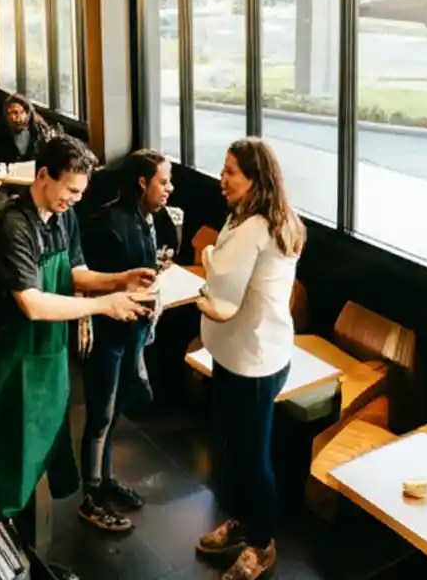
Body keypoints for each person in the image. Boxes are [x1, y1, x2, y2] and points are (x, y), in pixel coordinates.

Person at [0, 135, 155, 580]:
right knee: (13, 469)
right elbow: (33, 304)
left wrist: (120, 280)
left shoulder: (64, 216)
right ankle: (5, 564)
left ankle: (33, 560)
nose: (75, 200)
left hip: (49, 357)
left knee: (45, 454)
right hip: (12, 363)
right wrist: (103, 306)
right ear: (42, 176)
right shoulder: (12, 226)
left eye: (80, 192)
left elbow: (76, 274)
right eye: (70, 190)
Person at [193, 138, 305, 580]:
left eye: (230, 173)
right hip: (267, 353)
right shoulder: (277, 220)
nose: (222, 180)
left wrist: (204, 277)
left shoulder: (254, 229)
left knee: (252, 456)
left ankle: (261, 543)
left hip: (248, 362)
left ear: (256, 179)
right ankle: (244, 521)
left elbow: (222, 298)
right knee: (241, 450)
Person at [76, 149, 175, 532]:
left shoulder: (148, 220)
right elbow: (88, 279)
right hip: (107, 337)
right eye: (163, 181)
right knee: (100, 414)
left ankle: (104, 479)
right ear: (142, 183)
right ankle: (90, 497)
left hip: (131, 333)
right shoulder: (110, 224)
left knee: (114, 413)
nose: (169, 188)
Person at [0, 93, 55, 172]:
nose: (13, 118)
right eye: (9, 114)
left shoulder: (41, 131)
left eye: (16, 113)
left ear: (27, 112)